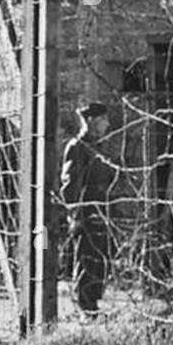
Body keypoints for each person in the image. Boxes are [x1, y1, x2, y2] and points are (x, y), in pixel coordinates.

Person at [60, 101, 119, 317]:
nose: (107, 124)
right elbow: (70, 184)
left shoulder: (99, 146)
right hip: (85, 211)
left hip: (101, 208)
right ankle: (85, 305)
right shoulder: (77, 147)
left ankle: (92, 302)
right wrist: (74, 215)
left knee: (99, 258)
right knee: (86, 257)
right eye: (104, 120)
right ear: (92, 121)